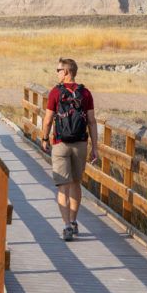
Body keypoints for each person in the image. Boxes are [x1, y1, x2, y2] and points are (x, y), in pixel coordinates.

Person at [41, 58, 98, 242]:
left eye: (58, 69)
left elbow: (48, 119)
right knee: (75, 183)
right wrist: (95, 147)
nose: (57, 72)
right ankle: (74, 221)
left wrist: (44, 138)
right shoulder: (86, 93)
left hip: (60, 143)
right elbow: (91, 121)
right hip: (80, 144)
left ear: (66, 72)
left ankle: (66, 226)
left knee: (62, 186)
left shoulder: (56, 92)